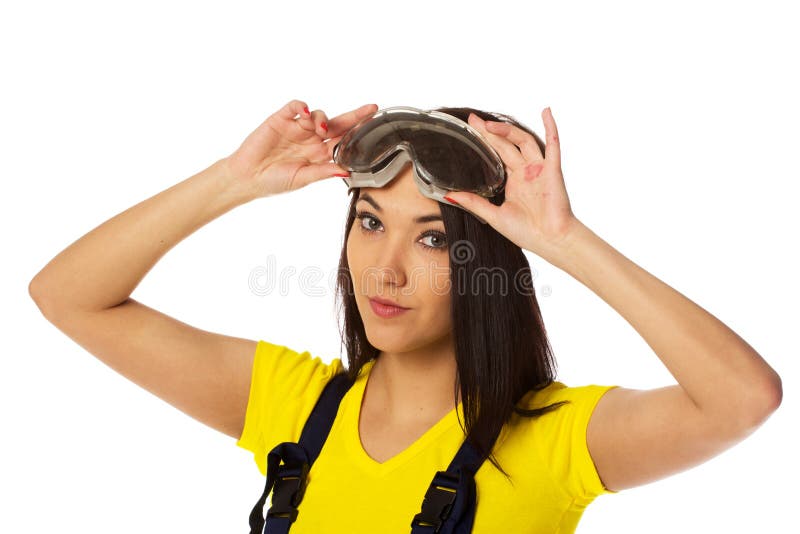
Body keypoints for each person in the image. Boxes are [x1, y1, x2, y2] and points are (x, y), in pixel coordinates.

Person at [28, 99, 783, 533]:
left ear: (489, 262)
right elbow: (66, 294)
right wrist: (235, 180)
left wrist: (563, 241)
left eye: (432, 237)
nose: (384, 269)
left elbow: (743, 399)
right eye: (369, 221)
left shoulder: (553, 440)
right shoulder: (295, 408)